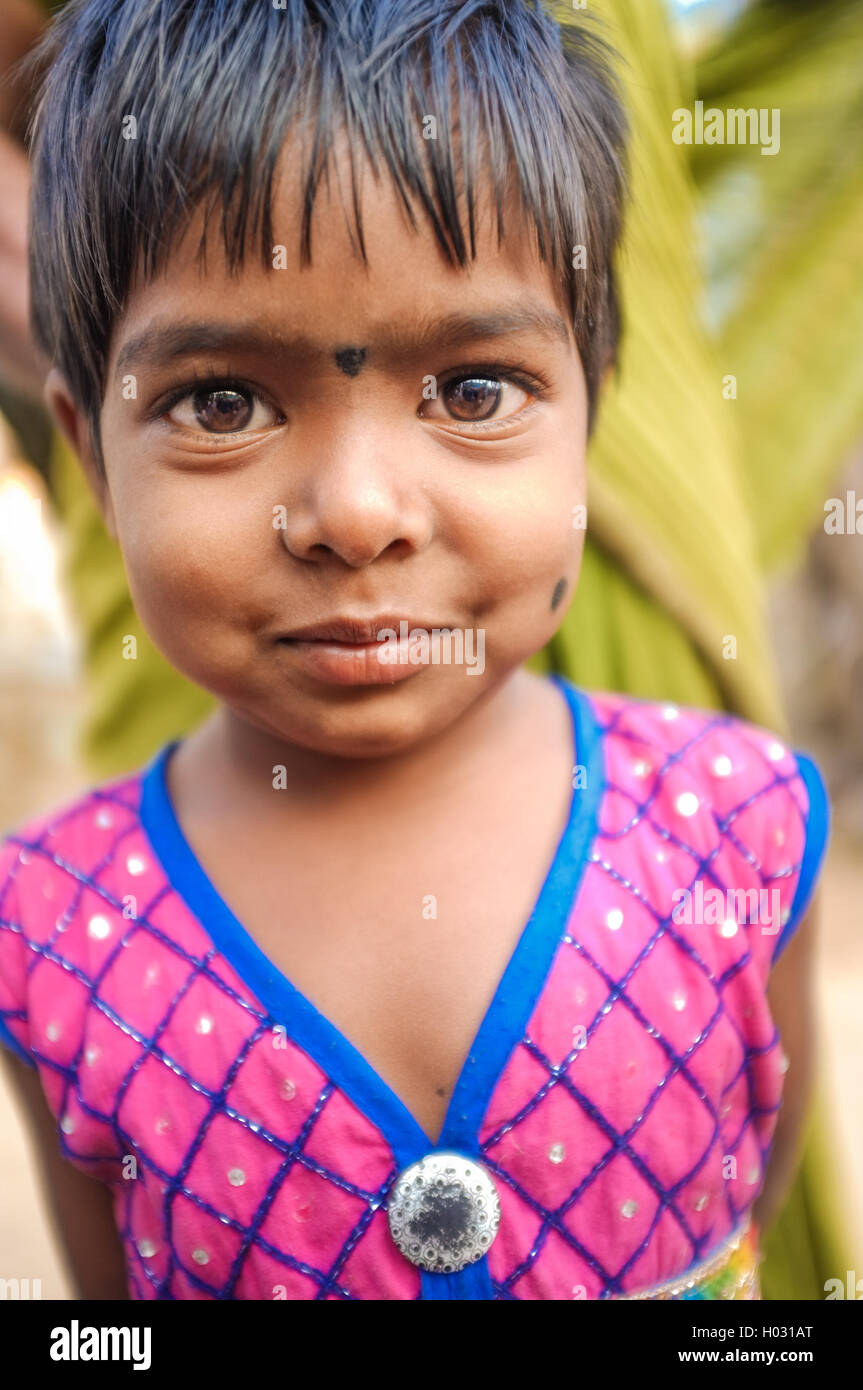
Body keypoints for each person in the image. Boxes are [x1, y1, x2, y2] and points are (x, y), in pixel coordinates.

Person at [0, 0, 831, 1300]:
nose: (358, 514)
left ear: (594, 411)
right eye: (223, 401)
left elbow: (742, 1228)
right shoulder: (50, 933)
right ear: (93, 458)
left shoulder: (744, 825)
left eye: (474, 390)